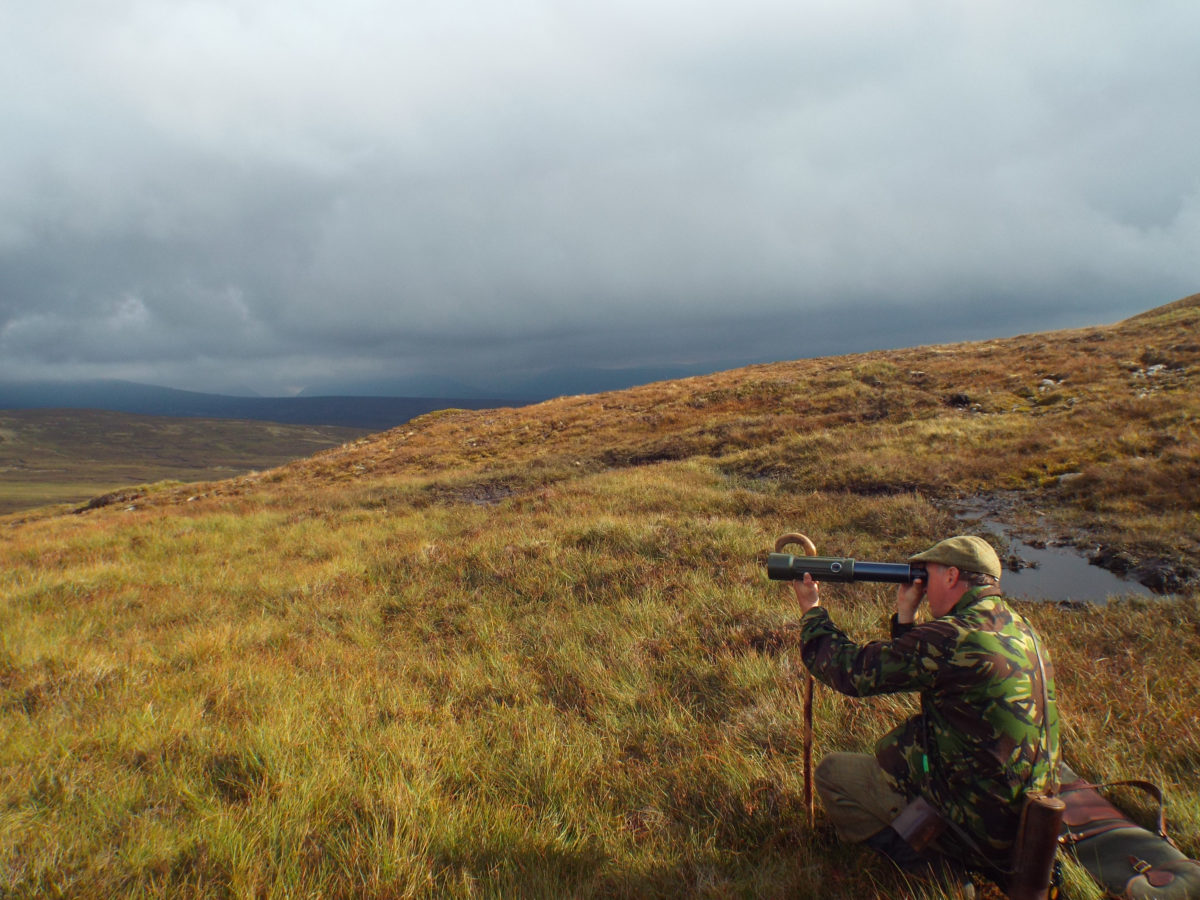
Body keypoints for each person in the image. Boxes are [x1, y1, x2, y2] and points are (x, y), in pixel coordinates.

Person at [790, 535, 1060, 890]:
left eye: (926, 575)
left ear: (951, 576)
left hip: (979, 830)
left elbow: (852, 672)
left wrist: (812, 611)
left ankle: (944, 875)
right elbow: (928, 668)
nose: (921, 585)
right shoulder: (1021, 629)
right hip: (1026, 822)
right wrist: (906, 617)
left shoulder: (954, 636)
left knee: (834, 774)